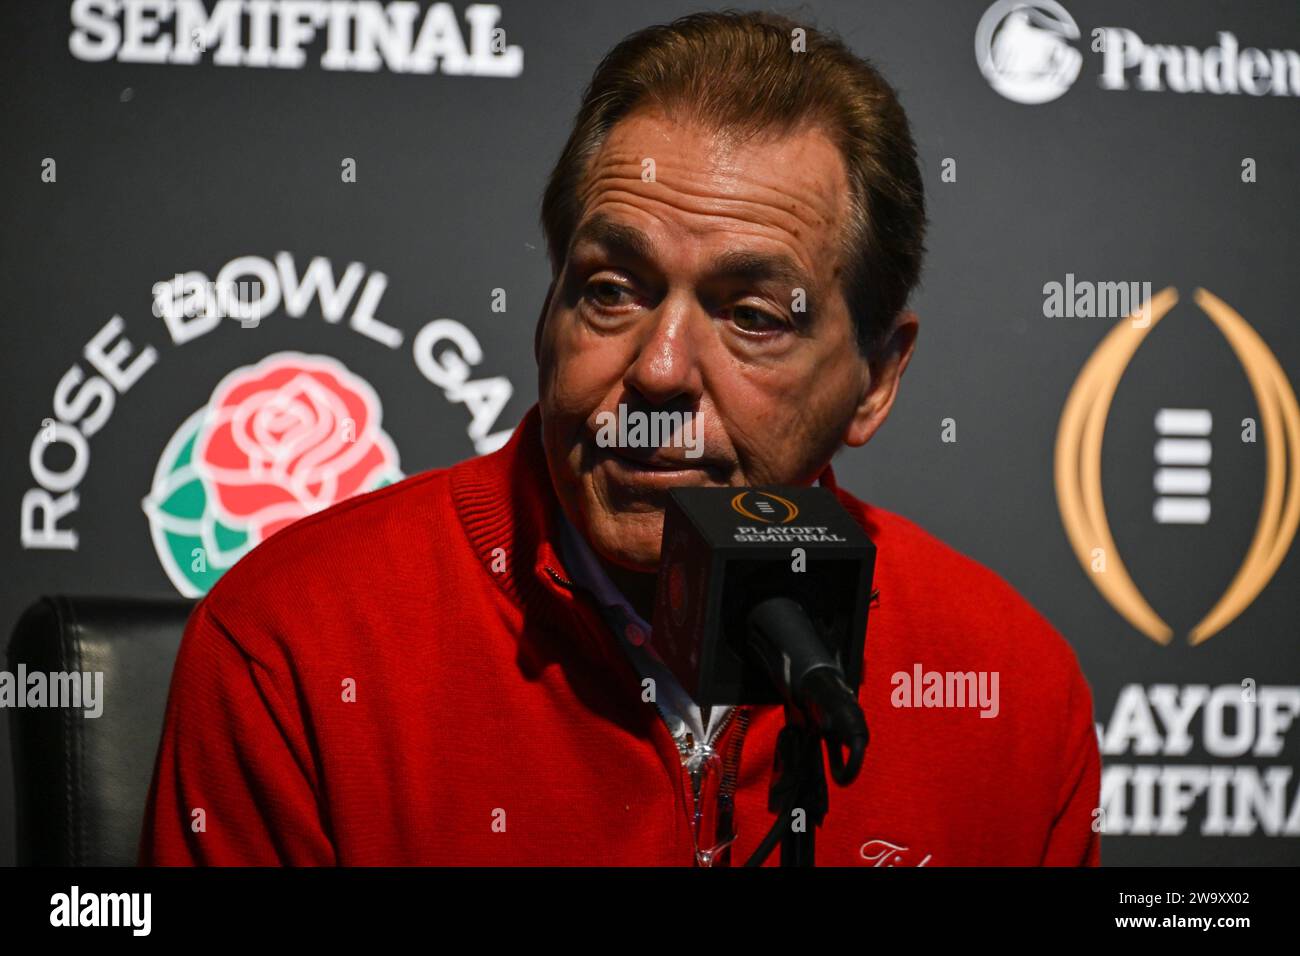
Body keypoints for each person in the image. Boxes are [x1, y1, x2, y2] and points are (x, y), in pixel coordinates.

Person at [140, 10, 1100, 866]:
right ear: (547, 308)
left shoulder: (1009, 693)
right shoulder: (296, 647)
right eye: (612, 290)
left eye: (753, 316)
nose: (660, 370)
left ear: (878, 380)